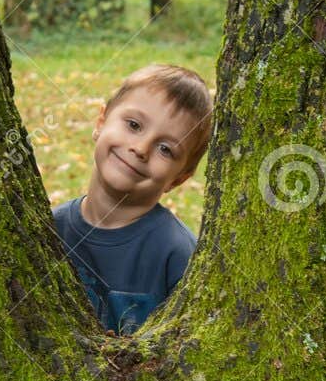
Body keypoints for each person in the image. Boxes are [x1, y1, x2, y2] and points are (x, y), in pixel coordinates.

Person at [52, 63, 213, 334]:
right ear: (101, 123)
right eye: (134, 125)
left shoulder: (179, 256)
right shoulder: (50, 229)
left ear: (179, 178)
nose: (140, 148)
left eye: (165, 149)